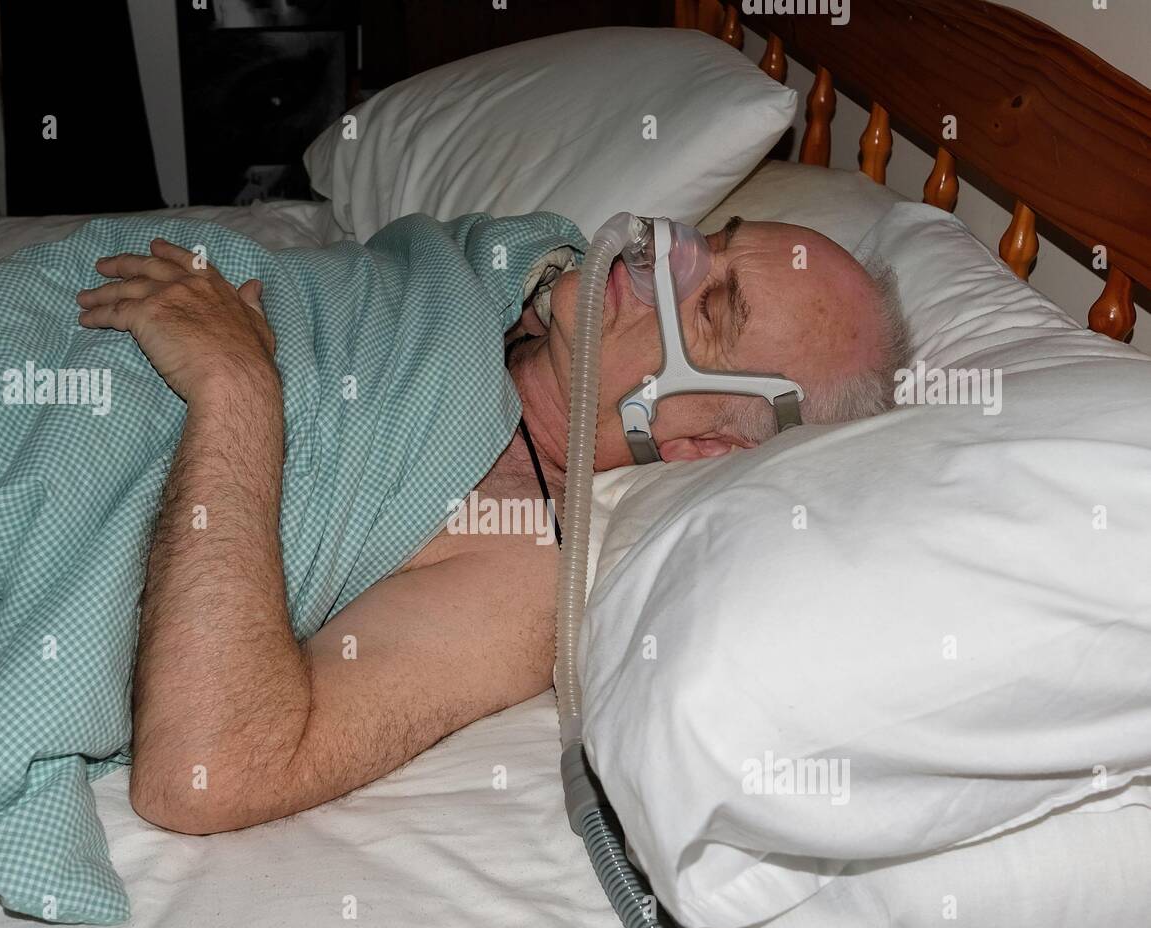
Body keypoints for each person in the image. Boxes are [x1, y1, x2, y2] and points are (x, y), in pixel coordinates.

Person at [75, 216, 909, 835]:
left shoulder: (518, 558)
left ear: (698, 444)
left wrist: (236, 387)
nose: (668, 255)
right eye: (711, 239)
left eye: (712, 307)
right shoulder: (500, 274)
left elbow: (214, 768)